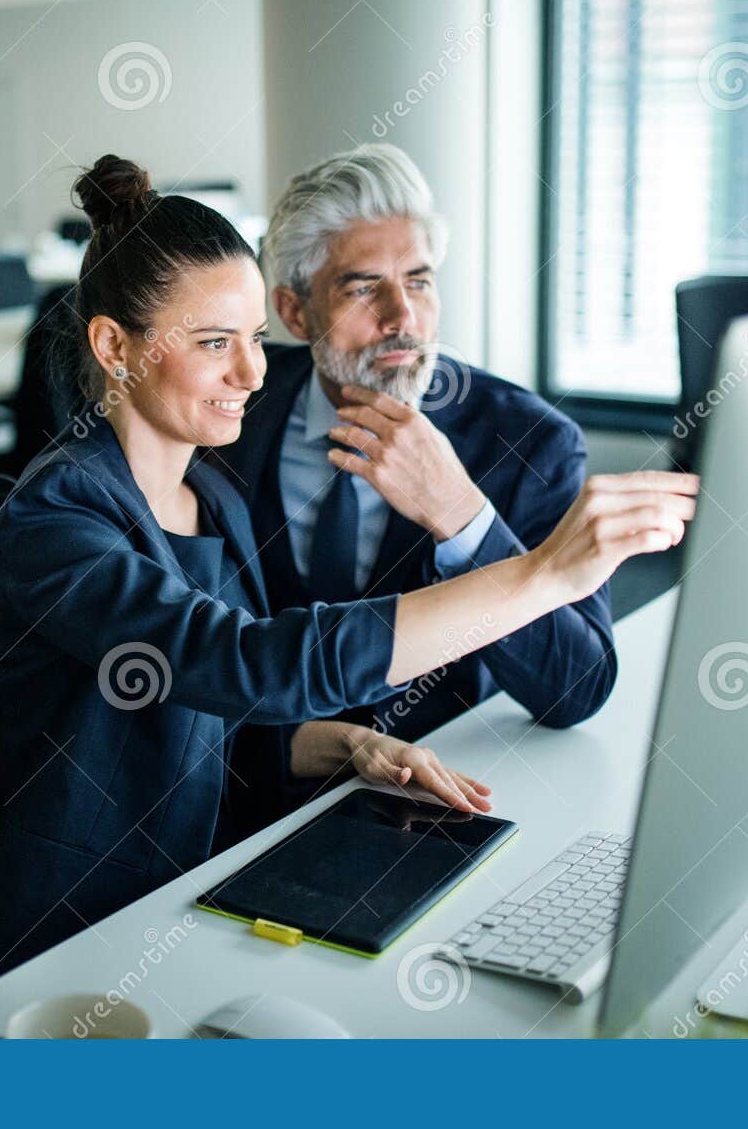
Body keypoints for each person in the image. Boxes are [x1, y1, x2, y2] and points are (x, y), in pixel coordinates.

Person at [0, 155, 697, 1009]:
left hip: (189, 892)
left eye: (250, 342)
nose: (254, 373)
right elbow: (248, 663)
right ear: (115, 347)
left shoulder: (210, 493)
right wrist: (535, 576)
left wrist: (344, 744)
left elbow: (217, 726)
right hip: (57, 934)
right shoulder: (56, 521)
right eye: (213, 344)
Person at [217, 144, 617, 823]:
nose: (402, 315)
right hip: (242, 797)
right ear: (294, 310)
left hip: (438, 801)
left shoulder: (529, 442)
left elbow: (577, 687)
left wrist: (463, 516)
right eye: (364, 287)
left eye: (421, 281)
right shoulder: (232, 418)